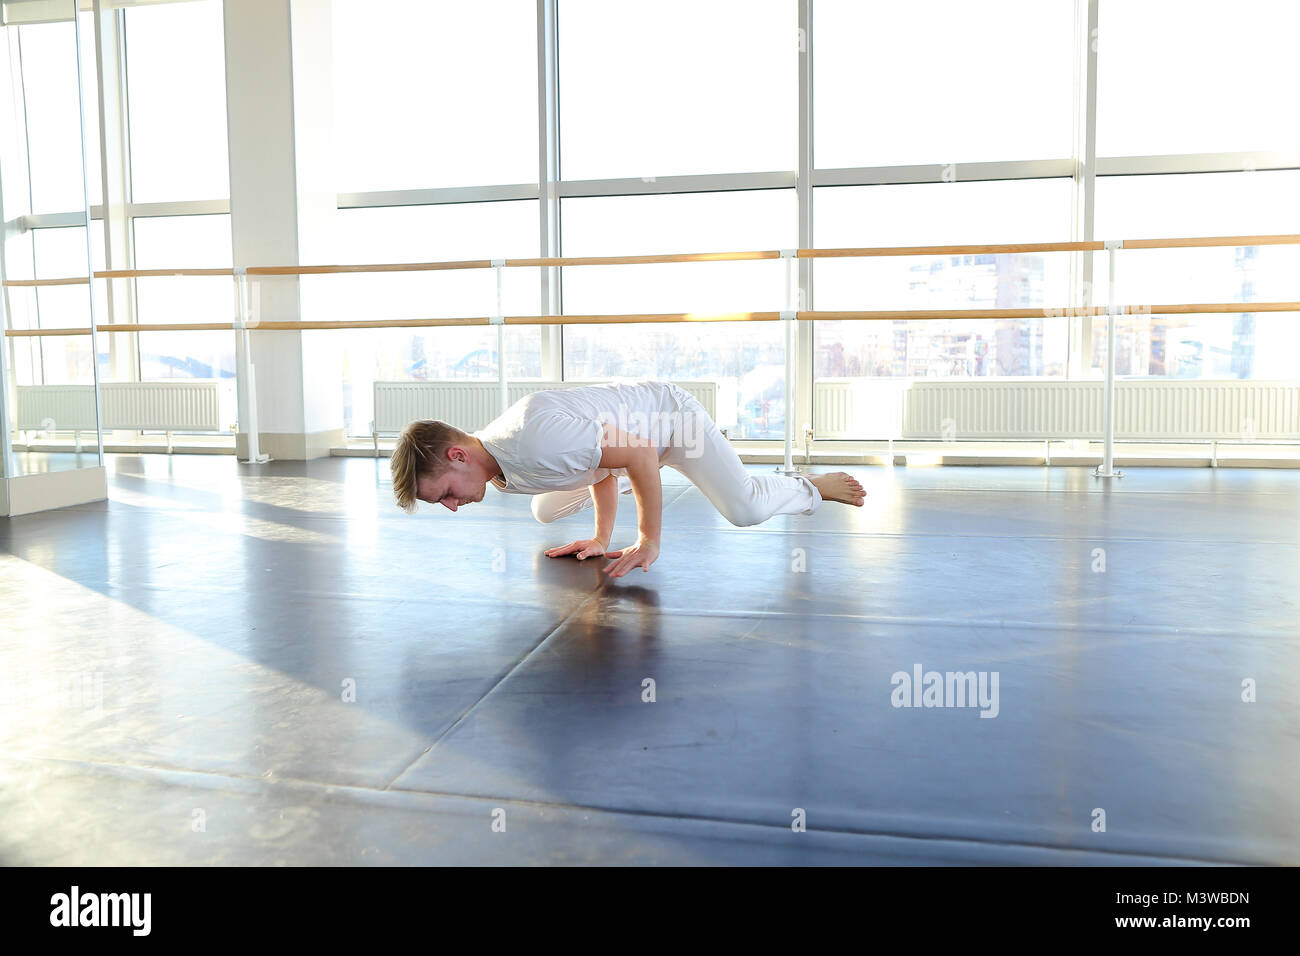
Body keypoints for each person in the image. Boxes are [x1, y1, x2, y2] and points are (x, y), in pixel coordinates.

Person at [389, 380, 865, 578]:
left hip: (670, 423)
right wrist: (600, 536)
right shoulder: (502, 470)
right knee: (545, 508)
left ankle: (809, 486)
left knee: (745, 510)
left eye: (446, 494)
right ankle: (608, 519)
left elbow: (635, 453)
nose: (452, 507)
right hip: (626, 440)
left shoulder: (534, 443)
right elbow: (592, 465)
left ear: (458, 455)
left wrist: (646, 541)